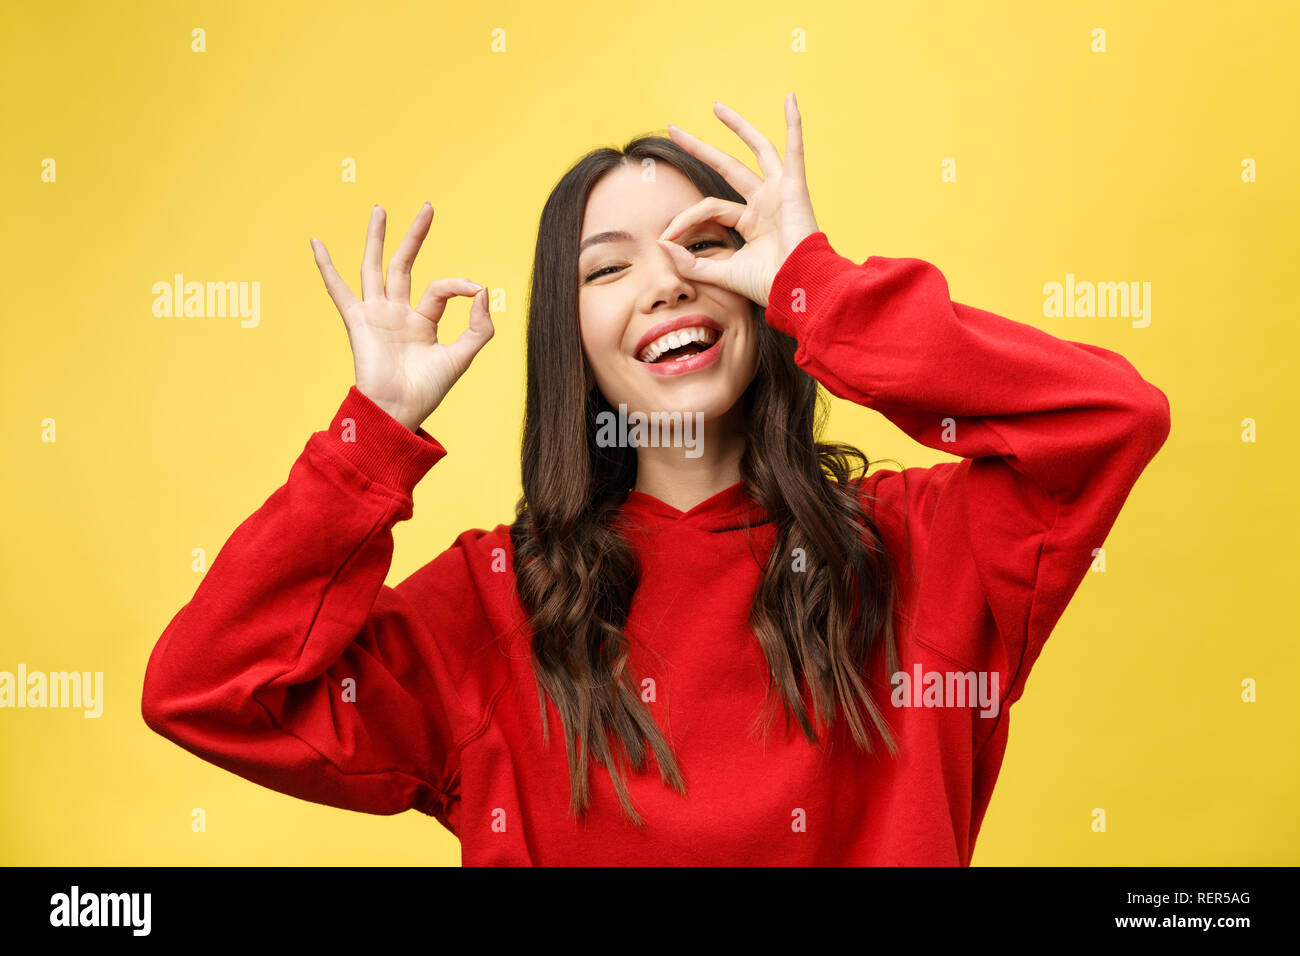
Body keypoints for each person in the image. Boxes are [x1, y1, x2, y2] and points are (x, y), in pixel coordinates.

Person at [141, 94, 1170, 865]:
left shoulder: (922, 551)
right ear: (569, 339)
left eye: (705, 244)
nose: (667, 280)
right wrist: (374, 433)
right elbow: (208, 689)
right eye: (606, 268)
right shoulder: (488, 607)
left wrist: (822, 287)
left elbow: (1109, 417)